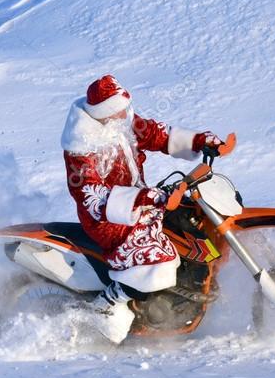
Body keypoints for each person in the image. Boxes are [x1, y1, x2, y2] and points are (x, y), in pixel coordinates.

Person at [61, 75, 222, 343]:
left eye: (125, 107)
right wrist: (143, 198)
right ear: (103, 114)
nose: (125, 113)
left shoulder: (119, 123)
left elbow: (155, 134)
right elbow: (90, 195)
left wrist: (200, 141)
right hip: (110, 219)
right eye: (118, 110)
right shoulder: (81, 148)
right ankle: (107, 302)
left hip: (142, 203)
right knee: (156, 263)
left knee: (188, 222)